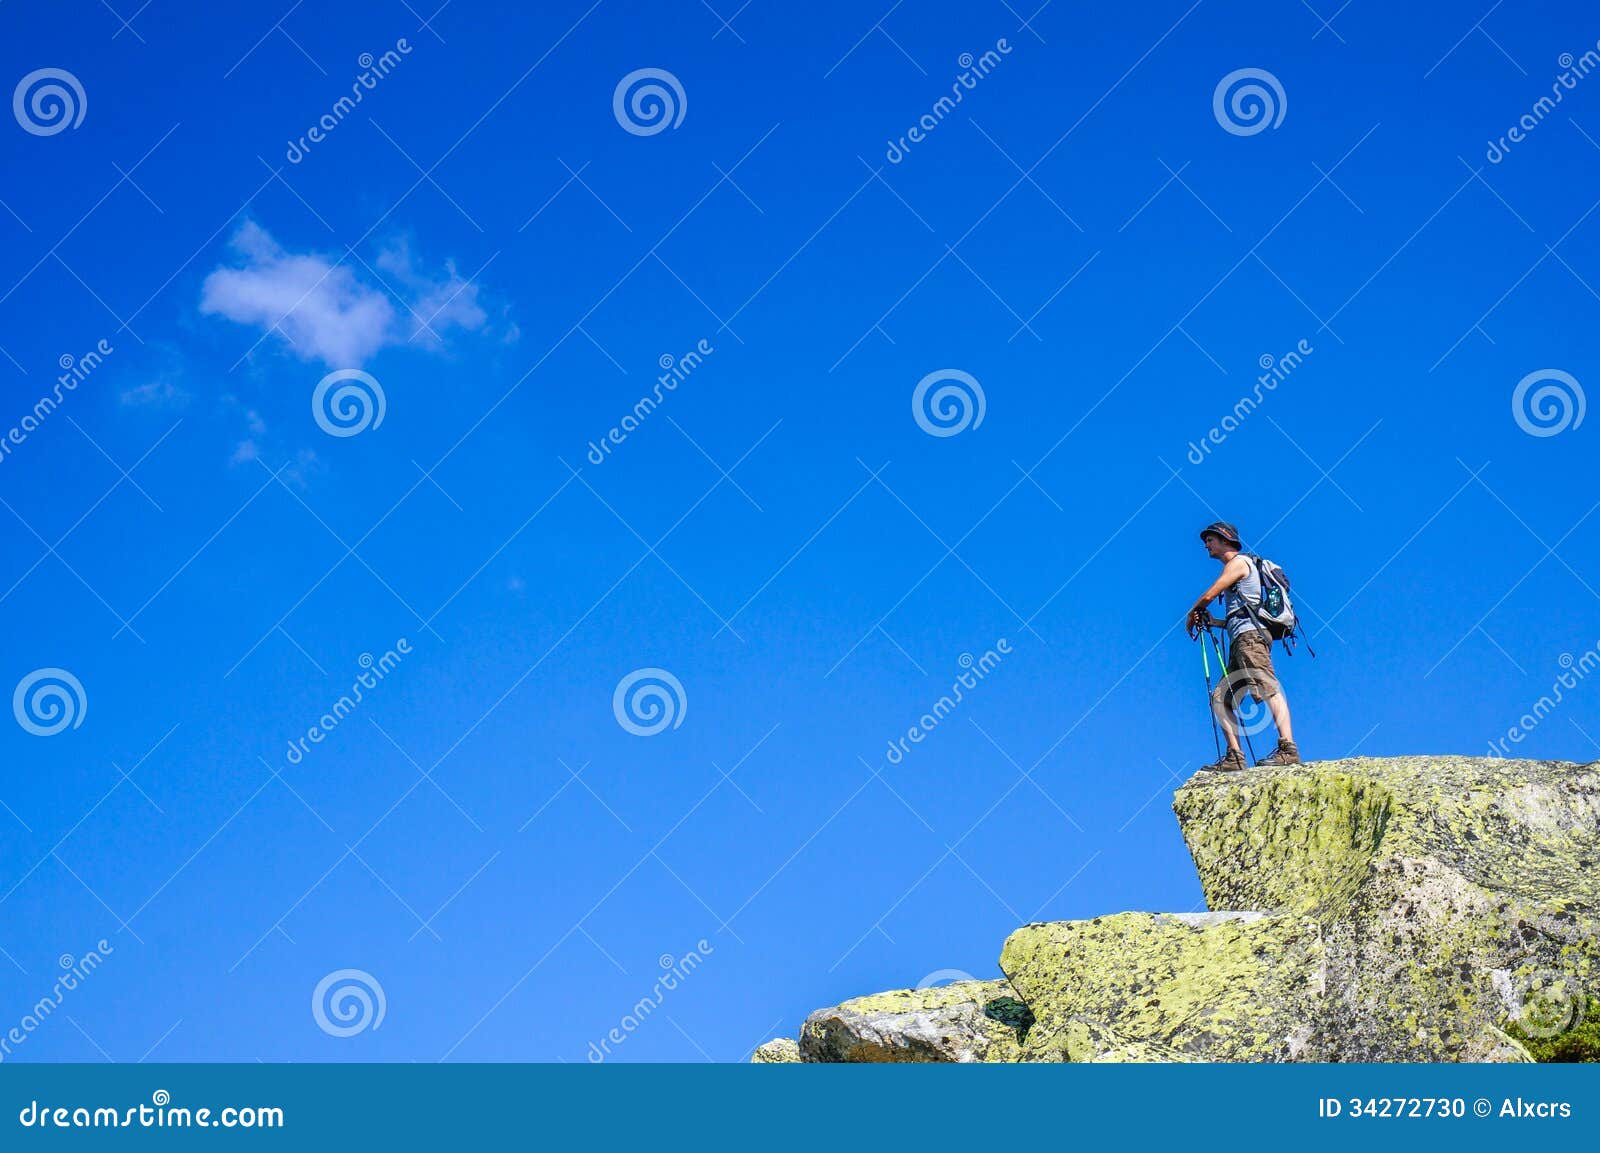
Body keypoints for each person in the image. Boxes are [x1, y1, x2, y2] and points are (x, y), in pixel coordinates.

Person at [1184, 521, 1301, 770]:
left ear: (1225, 539)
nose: (1206, 545)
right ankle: (1235, 757)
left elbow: (1209, 595)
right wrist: (1214, 622)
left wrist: (1192, 613)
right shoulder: (1239, 567)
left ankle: (1288, 749)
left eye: (1210, 540)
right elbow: (1239, 615)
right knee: (1220, 698)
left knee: (1268, 687)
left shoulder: (1239, 563)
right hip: (1242, 638)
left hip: (1250, 639)